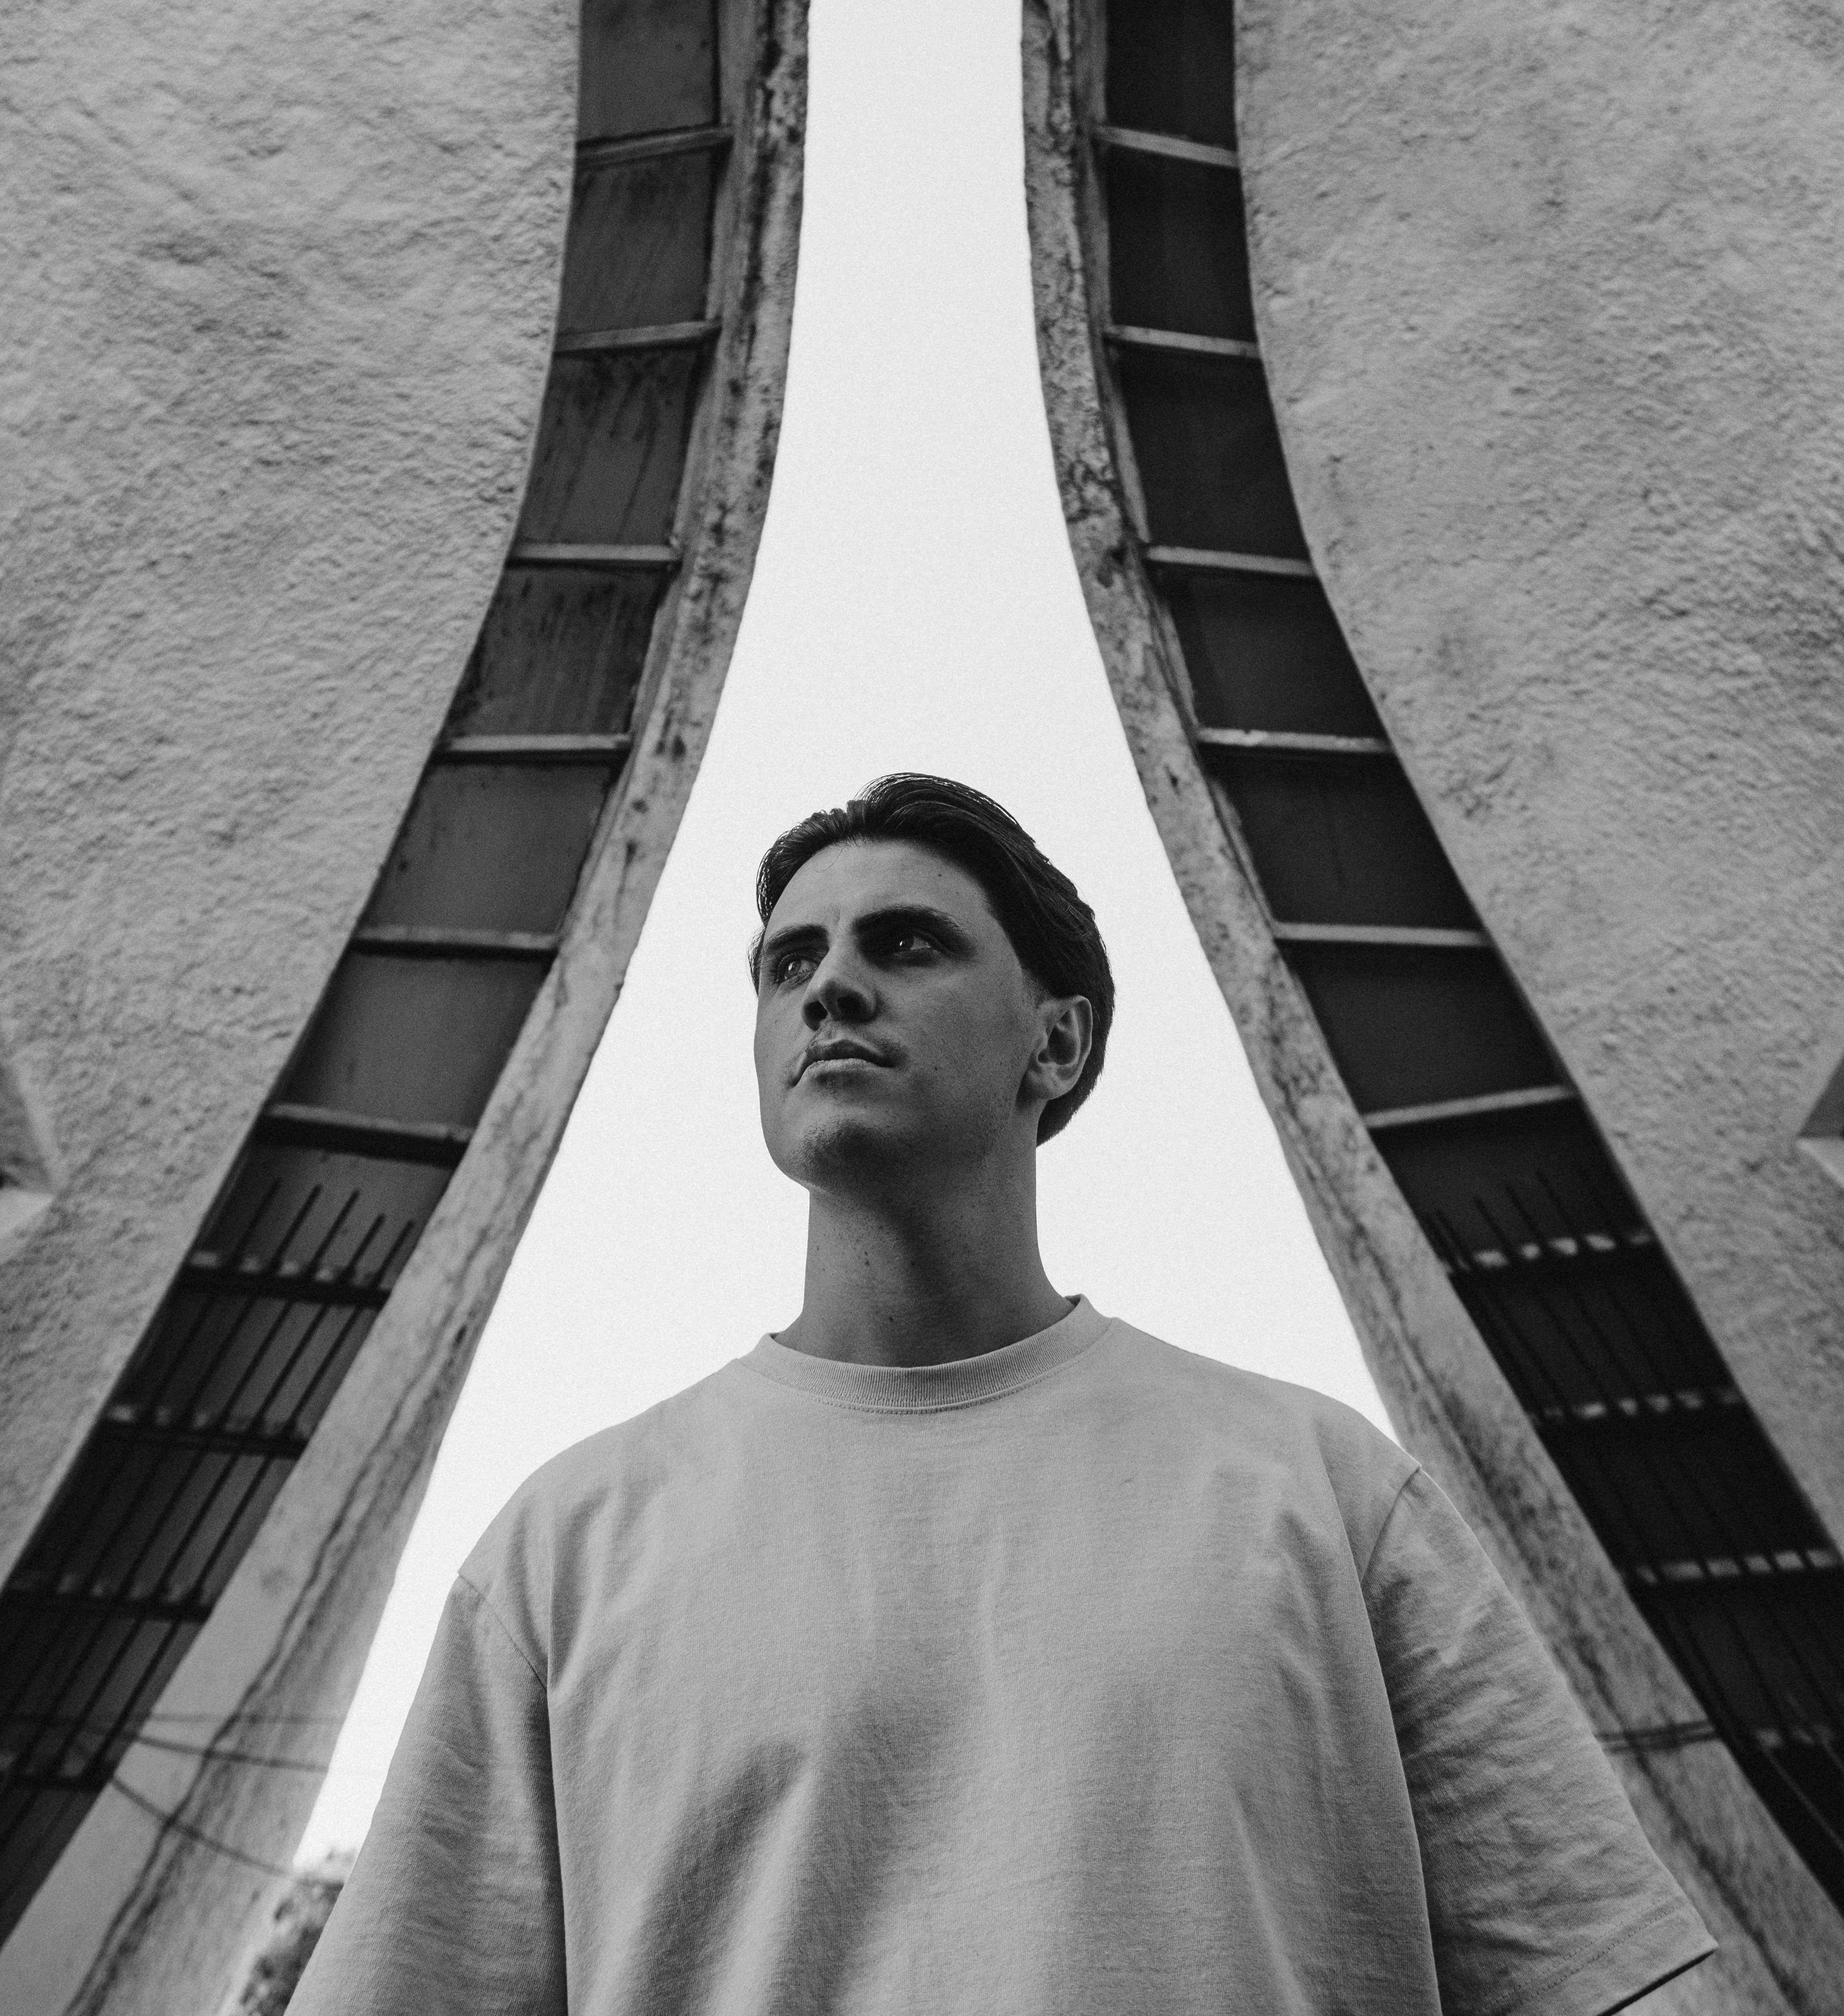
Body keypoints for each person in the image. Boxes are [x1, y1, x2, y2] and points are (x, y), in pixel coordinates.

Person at [293, 774, 1714, 2015]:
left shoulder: (1321, 1497)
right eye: (788, 963)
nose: (830, 986)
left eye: (904, 943)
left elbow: (1597, 1973)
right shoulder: (567, 1550)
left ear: (1058, 1045)